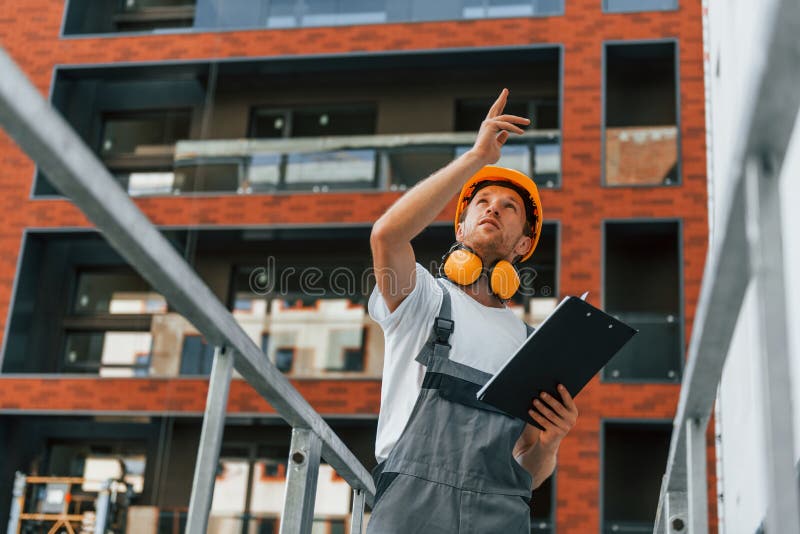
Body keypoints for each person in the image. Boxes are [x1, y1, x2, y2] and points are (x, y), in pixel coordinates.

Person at [367, 88, 579, 532]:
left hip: (501, 513)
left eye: (509, 207)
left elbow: (530, 471)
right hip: (412, 505)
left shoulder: (529, 344)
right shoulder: (423, 299)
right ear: (460, 227)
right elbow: (387, 235)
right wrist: (477, 158)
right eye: (482, 202)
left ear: (523, 244)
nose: (493, 209)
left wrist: (550, 442)